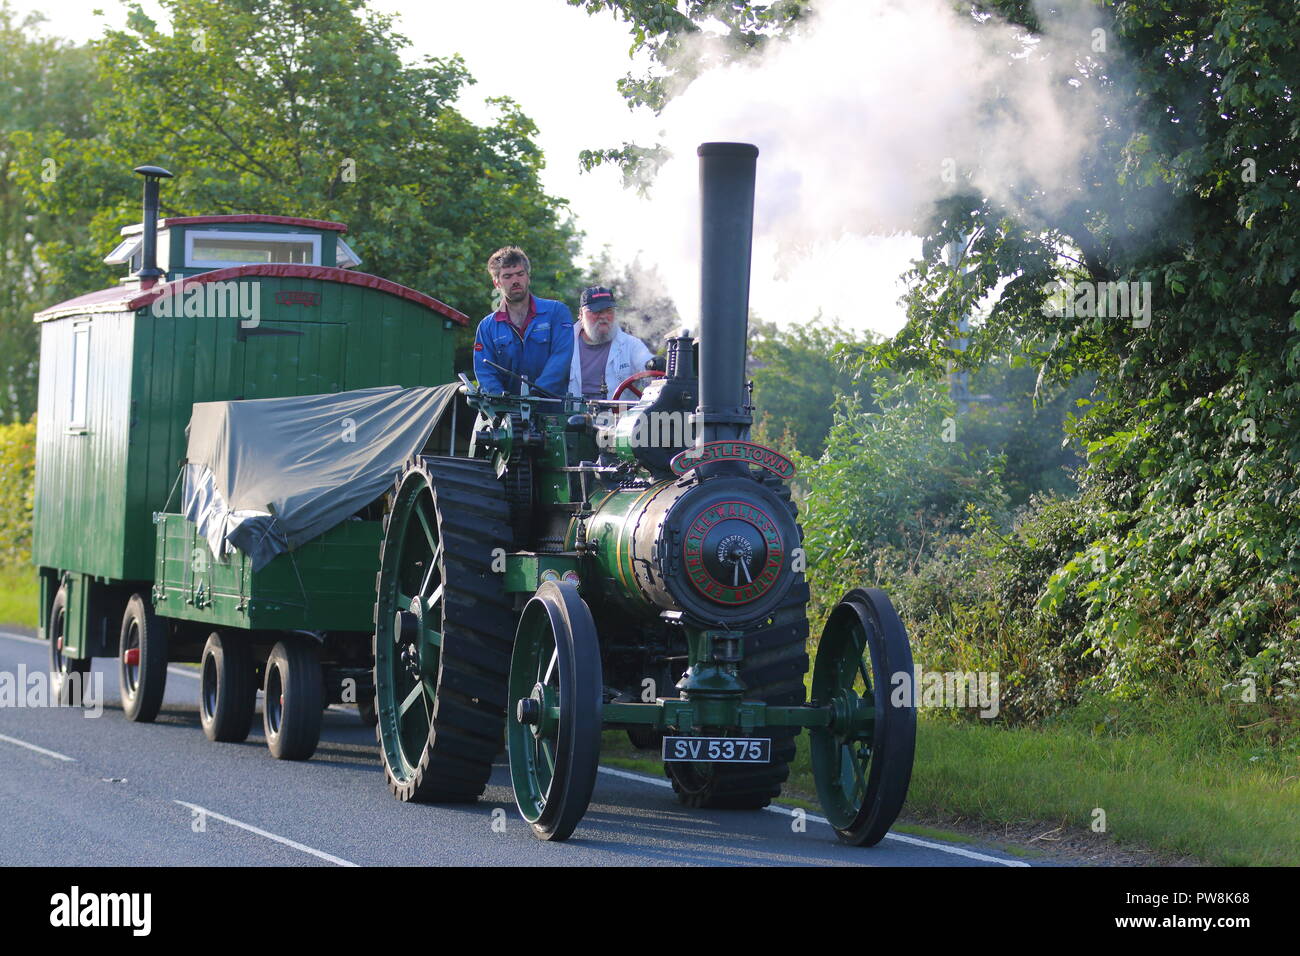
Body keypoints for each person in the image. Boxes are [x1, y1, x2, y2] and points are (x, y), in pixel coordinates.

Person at [472, 246, 574, 396]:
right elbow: (485, 372)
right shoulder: (487, 327)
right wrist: (501, 401)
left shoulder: (557, 312)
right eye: (507, 276)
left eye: (520, 274)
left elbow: (561, 359)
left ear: (528, 276)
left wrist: (536, 396)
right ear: (497, 283)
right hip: (506, 413)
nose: (515, 281)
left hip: (552, 410)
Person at [567, 286, 655, 400]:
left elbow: (649, 369)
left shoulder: (631, 345)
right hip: (572, 416)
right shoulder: (565, 343)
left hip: (620, 416)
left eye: (609, 311)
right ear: (581, 314)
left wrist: (654, 364)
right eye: (596, 311)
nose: (603, 316)